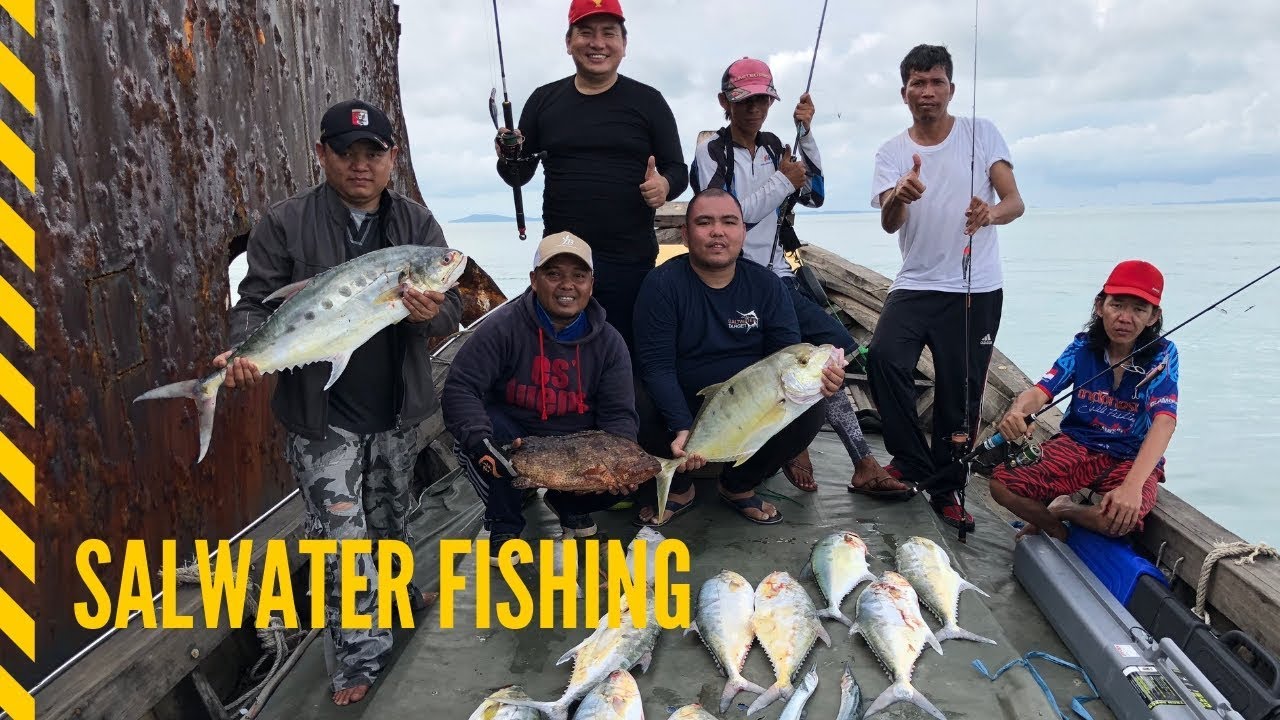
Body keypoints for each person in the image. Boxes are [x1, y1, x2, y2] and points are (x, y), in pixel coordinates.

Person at [216, 98, 462, 706]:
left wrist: (430, 315)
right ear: (322, 154)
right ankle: (358, 660)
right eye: (346, 153)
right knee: (342, 542)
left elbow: (453, 307)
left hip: (396, 406)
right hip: (319, 415)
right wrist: (239, 352)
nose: (360, 165)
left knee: (391, 519)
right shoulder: (284, 223)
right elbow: (253, 303)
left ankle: (401, 598)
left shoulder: (417, 228)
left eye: (373, 153)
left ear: (391, 158)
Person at [690, 57, 912, 501]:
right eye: (745, 100)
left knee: (838, 351)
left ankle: (859, 462)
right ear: (725, 103)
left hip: (778, 279)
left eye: (763, 99)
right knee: (787, 356)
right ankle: (802, 444)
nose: (755, 109)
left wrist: (805, 134)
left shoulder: (775, 147)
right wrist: (780, 182)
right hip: (734, 280)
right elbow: (728, 217)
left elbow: (815, 193)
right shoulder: (709, 150)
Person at [867, 43, 1026, 532]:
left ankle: (947, 487)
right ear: (904, 92)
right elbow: (890, 225)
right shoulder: (892, 151)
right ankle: (912, 461)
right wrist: (900, 195)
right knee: (883, 359)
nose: (928, 91)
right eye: (918, 83)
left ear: (951, 89)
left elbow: (1014, 201)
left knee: (961, 393)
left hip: (976, 287)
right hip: (916, 283)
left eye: (936, 82)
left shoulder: (981, 133)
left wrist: (989, 214)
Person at [631, 188, 845, 526]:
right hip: (682, 403)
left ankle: (738, 485)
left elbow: (786, 357)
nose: (718, 231)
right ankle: (680, 486)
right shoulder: (661, 285)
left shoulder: (767, 285)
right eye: (705, 222)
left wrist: (824, 380)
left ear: (743, 232)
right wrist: (682, 426)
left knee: (812, 403)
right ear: (686, 235)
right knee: (634, 394)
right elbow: (656, 366)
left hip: (749, 404)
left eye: (729, 222)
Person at [495, 0, 688, 351]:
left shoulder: (649, 102)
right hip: (562, 262)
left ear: (624, 45)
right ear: (569, 42)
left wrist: (664, 185)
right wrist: (508, 155)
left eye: (608, 33)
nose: (597, 43)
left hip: (629, 261)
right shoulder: (543, 100)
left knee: (626, 355)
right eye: (585, 32)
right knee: (556, 355)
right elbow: (517, 175)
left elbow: (679, 170)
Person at [441, 232, 640, 559]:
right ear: (534, 280)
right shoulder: (502, 327)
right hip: (516, 435)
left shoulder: (610, 342)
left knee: (634, 470)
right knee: (489, 438)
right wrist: (479, 441)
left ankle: (569, 506)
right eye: (554, 274)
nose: (567, 285)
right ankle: (504, 525)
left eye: (579, 276)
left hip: (577, 440)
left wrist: (619, 458)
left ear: (591, 283)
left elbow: (619, 413)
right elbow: (462, 386)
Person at [990, 260, 1178, 541]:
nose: (1125, 318)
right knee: (1001, 484)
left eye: (1139, 309)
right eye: (1117, 305)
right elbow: (1041, 392)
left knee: (1122, 521)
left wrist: (1132, 486)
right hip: (1078, 445)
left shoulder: (1163, 355)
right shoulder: (1082, 346)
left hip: (1130, 455)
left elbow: (1164, 421)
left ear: (1153, 317)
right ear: (1100, 305)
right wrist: (1018, 410)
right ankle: (1054, 529)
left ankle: (1064, 510)